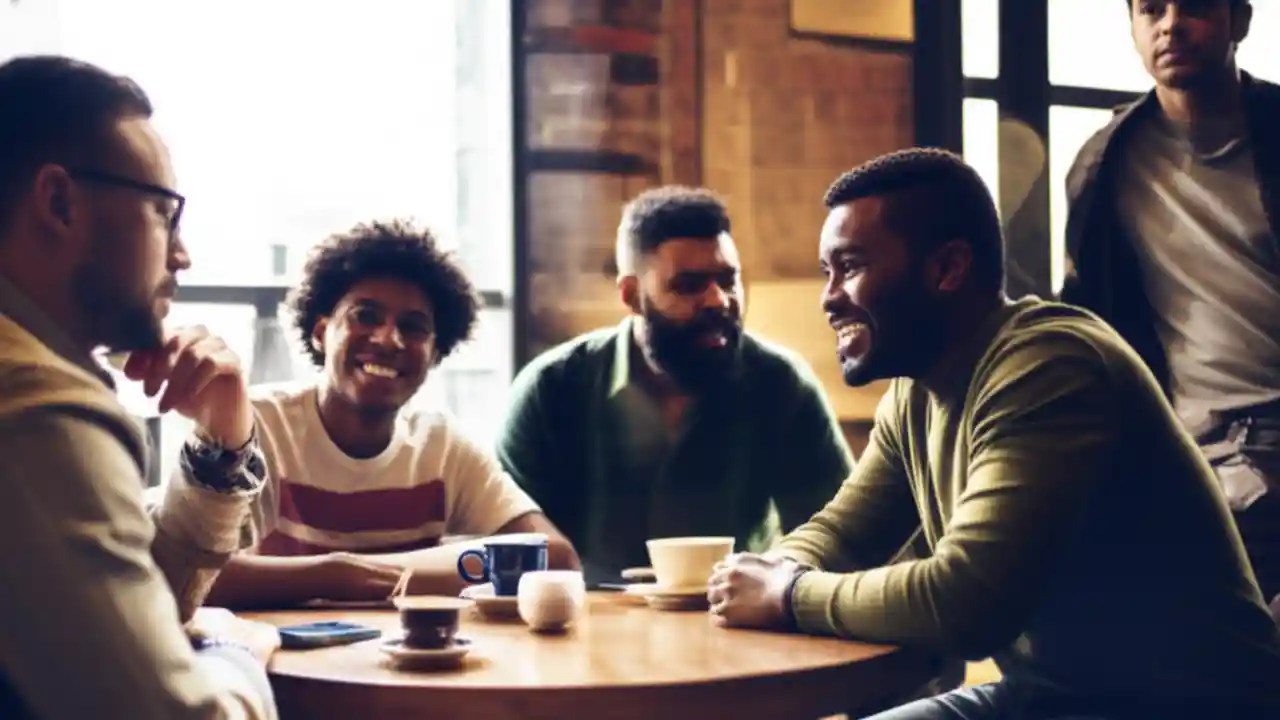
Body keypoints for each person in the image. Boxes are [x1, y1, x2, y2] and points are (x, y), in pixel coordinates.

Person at [708, 148, 1280, 718]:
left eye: (850, 267)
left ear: (947, 269)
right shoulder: (916, 390)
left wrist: (786, 594)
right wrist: (766, 573)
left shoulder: (1049, 365)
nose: (829, 298)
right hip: (1055, 698)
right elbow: (845, 533)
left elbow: (965, 599)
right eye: (827, 272)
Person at [0, 55, 277, 718]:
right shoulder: (35, 406)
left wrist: (219, 452)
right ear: (59, 202)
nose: (182, 255)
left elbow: (120, 619)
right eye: (164, 213)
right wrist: (237, 657)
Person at [201, 220, 578, 609]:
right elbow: (194, 573)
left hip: (416, 664)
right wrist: (331, 574)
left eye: (413, 327)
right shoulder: (259, 424)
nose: (388, 339)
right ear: (320, 332)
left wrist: (357, 576)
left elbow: (556, 558)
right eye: (365, 316)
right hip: (282, 666)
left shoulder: (441, 445)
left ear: (434, 354)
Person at [498, 186, 853, 584]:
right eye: (689, 285)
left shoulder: (781, 385)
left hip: (740, 623)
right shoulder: (550, 390)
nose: (719, 301)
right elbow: (510, 541)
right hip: (585, 626)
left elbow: (844, 535)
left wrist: (780, 586)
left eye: (728, 280)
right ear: (631, 295)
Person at [1062, 0, 1280, 613]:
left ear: (1241, 20)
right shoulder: (1103, 165)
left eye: (1196, 8)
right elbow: (1086, 322)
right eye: (1151, 9)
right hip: (1178, 446)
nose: (1171, 24)